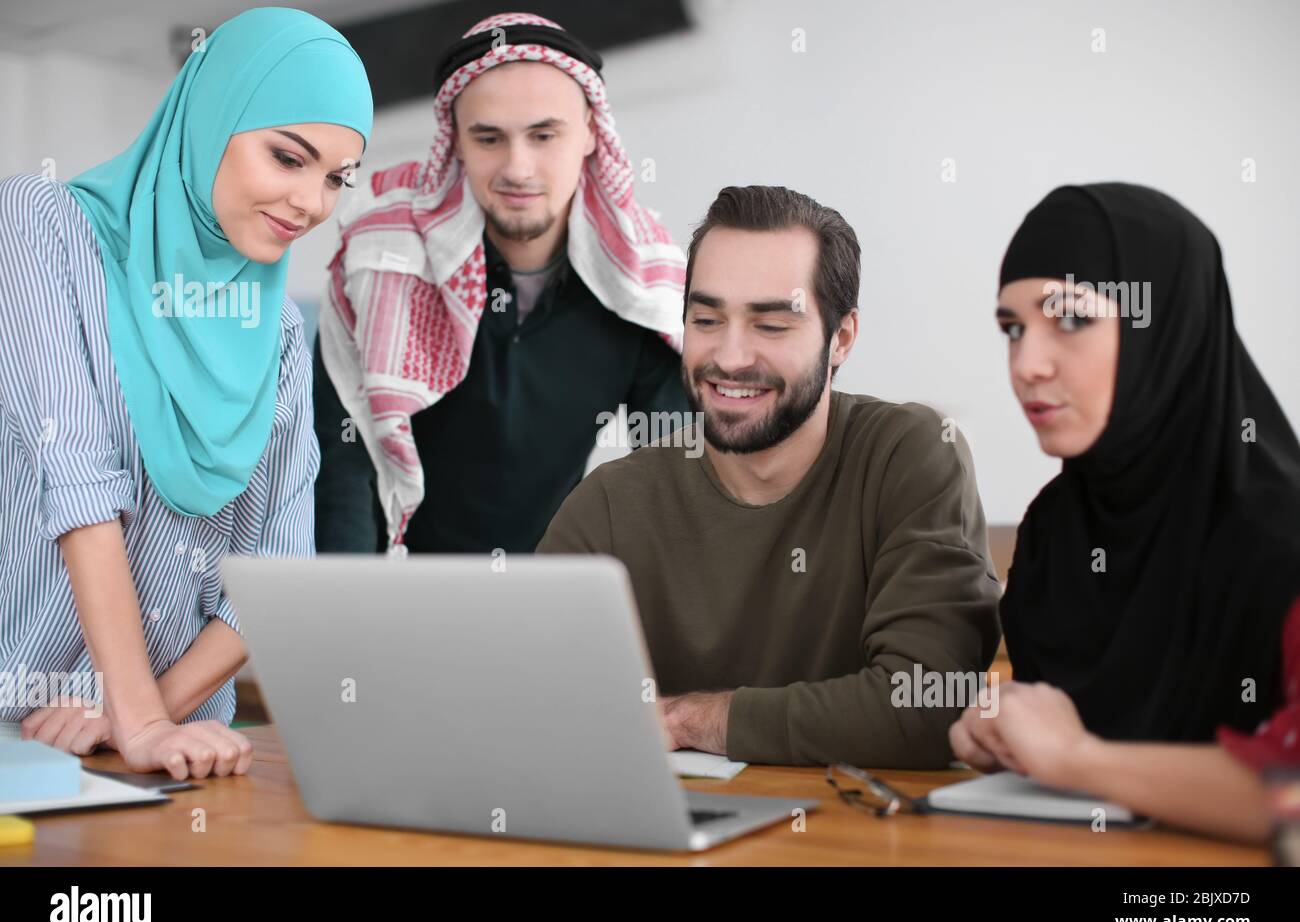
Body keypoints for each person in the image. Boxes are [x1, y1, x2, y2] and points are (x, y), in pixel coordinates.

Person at [0, 8, 374, 778]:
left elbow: (277, 567)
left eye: (336, 177)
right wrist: (133, 722)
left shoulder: (271, 333)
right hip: (23, 743)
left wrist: (139, 722)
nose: (310, 202)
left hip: (176, 755)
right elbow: (77, 480)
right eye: (287, 157)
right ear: (211, 117)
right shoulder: (42, 230)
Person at [538, 185, 1002, 767]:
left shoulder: (908, 455)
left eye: (772, 326)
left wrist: (694, 718)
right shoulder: (612, 501)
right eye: (706, 319)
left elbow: (928, 704)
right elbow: (524, 701)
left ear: (843, 338)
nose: (730, 358)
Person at [949, 183, 1300, 842]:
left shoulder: (1281, 539)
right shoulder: (1056, 531)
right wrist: (1010, 739)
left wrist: (1077, 758)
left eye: (1071, 318)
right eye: (1012, 328)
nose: (1026, 364)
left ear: (1167, 323)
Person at [314, 12, 689, 555]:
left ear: (589, 133)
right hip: (389, 589)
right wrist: (343, 613)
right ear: (458, 144)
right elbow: (343, 461)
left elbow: (671, 485)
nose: (518, 167)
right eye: (489, 138)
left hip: (547, 599)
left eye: (544, 135)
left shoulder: (644, 281)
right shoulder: (381, 256)